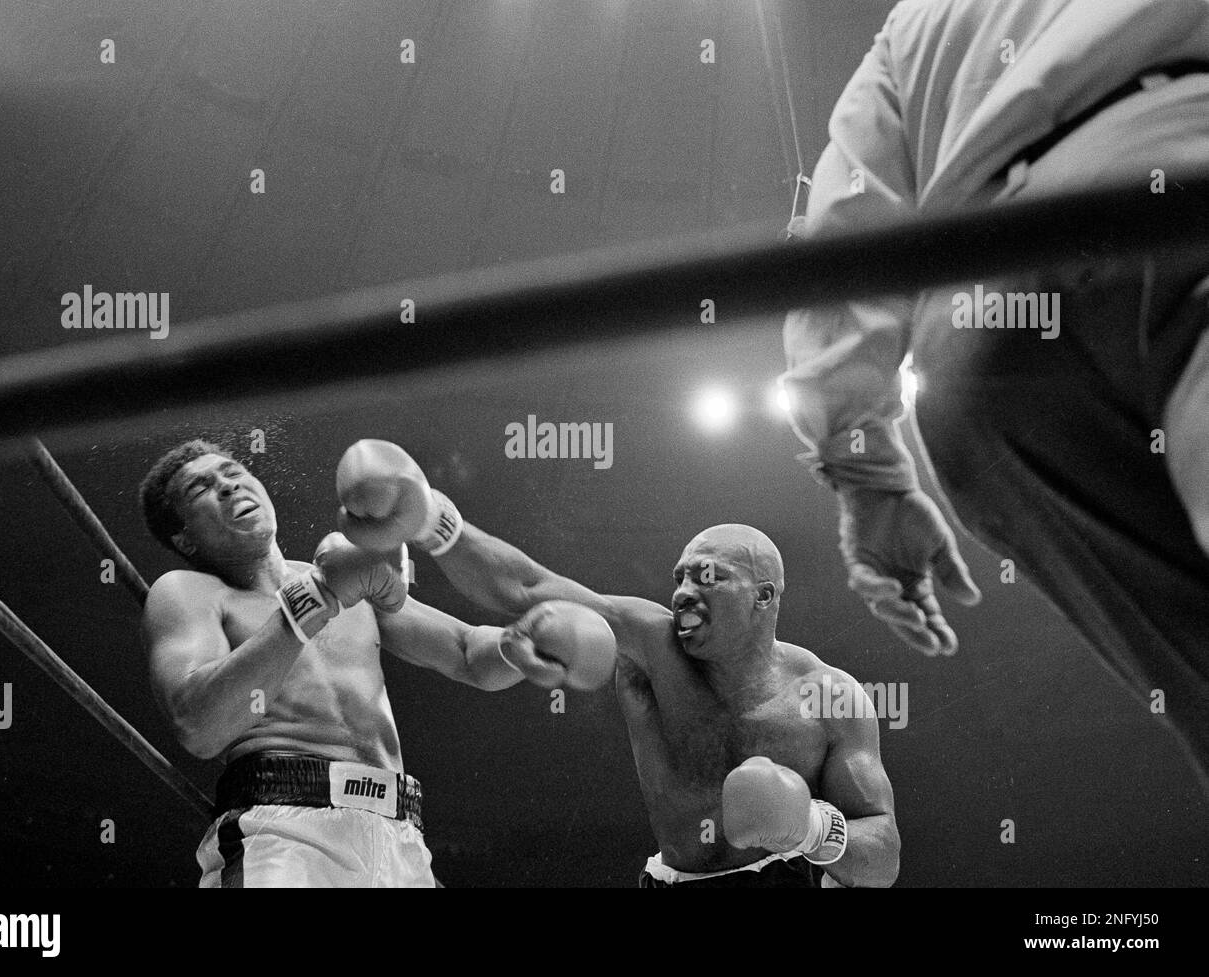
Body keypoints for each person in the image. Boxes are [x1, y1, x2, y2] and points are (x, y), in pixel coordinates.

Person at [780, 0, 1209, 787]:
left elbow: (844, 241)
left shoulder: (916, 22)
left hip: (982, 344)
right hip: (1174, 180)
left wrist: (869, 480)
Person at [334, 440, 900, 888]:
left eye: (707, 575)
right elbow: (531, 587)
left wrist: (809, 828)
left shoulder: (830, 698)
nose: (682, 591)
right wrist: (433, 521)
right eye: (679, 576)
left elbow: (885, 856)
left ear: (764, 596)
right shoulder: (653, 645)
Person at [137, 440, 615, 887]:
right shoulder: (188, 592)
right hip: (280, 830)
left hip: (399, 835)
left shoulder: (347, 573)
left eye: (233, 471)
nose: (227, 484)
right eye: (201, 487)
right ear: (184, 539)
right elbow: (199, 725)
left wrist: (520, 641)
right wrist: (316, 601)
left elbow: (468, 654)